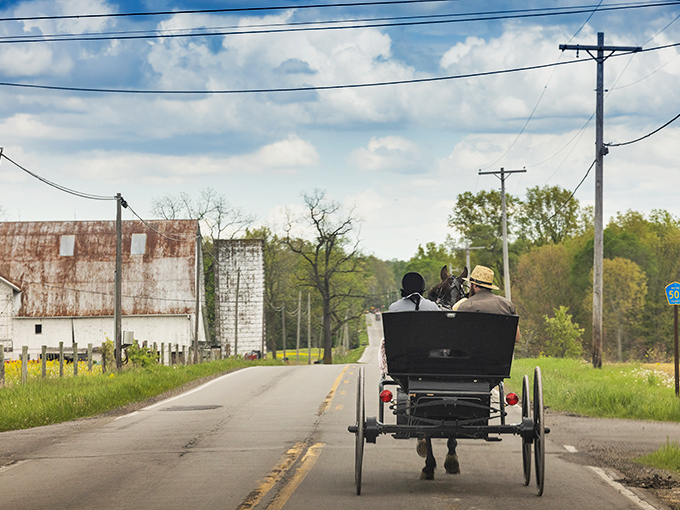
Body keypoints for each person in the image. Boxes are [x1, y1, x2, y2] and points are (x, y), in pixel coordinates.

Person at [453, 264, 521, 343]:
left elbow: (458, 339)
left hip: (474, 354)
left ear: (474, 285)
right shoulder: (507, 305)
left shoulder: (466, 306)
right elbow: (516, 338)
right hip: (500, 354)